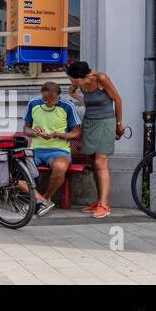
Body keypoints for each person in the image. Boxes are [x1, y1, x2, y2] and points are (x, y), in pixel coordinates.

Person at [65, 60, 125, 218]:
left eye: (72, 79)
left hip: (106, 122)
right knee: (93, 162)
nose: (71, 82)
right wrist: (73, 93)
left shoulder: (101, 79)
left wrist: (119, 124)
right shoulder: (81, 83)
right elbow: (82, 97)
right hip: (89, 123)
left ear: (82, 76)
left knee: (100, 162)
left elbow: (118, 100)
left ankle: (105, 205)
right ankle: (99, 201)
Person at [23, 81, 80, 216]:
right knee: (12, 172)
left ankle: (46, 198)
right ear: (41, 94)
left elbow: (77, 132)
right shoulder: (33, 103)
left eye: (52, 101)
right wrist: (34, 131)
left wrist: (58, 135)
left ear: (58, 96)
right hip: (35, 150)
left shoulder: (67, 106)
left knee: (60, 167)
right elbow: (26, 129)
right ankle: (41, 200)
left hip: (58, 150)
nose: (48, 103)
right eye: (45, 100)